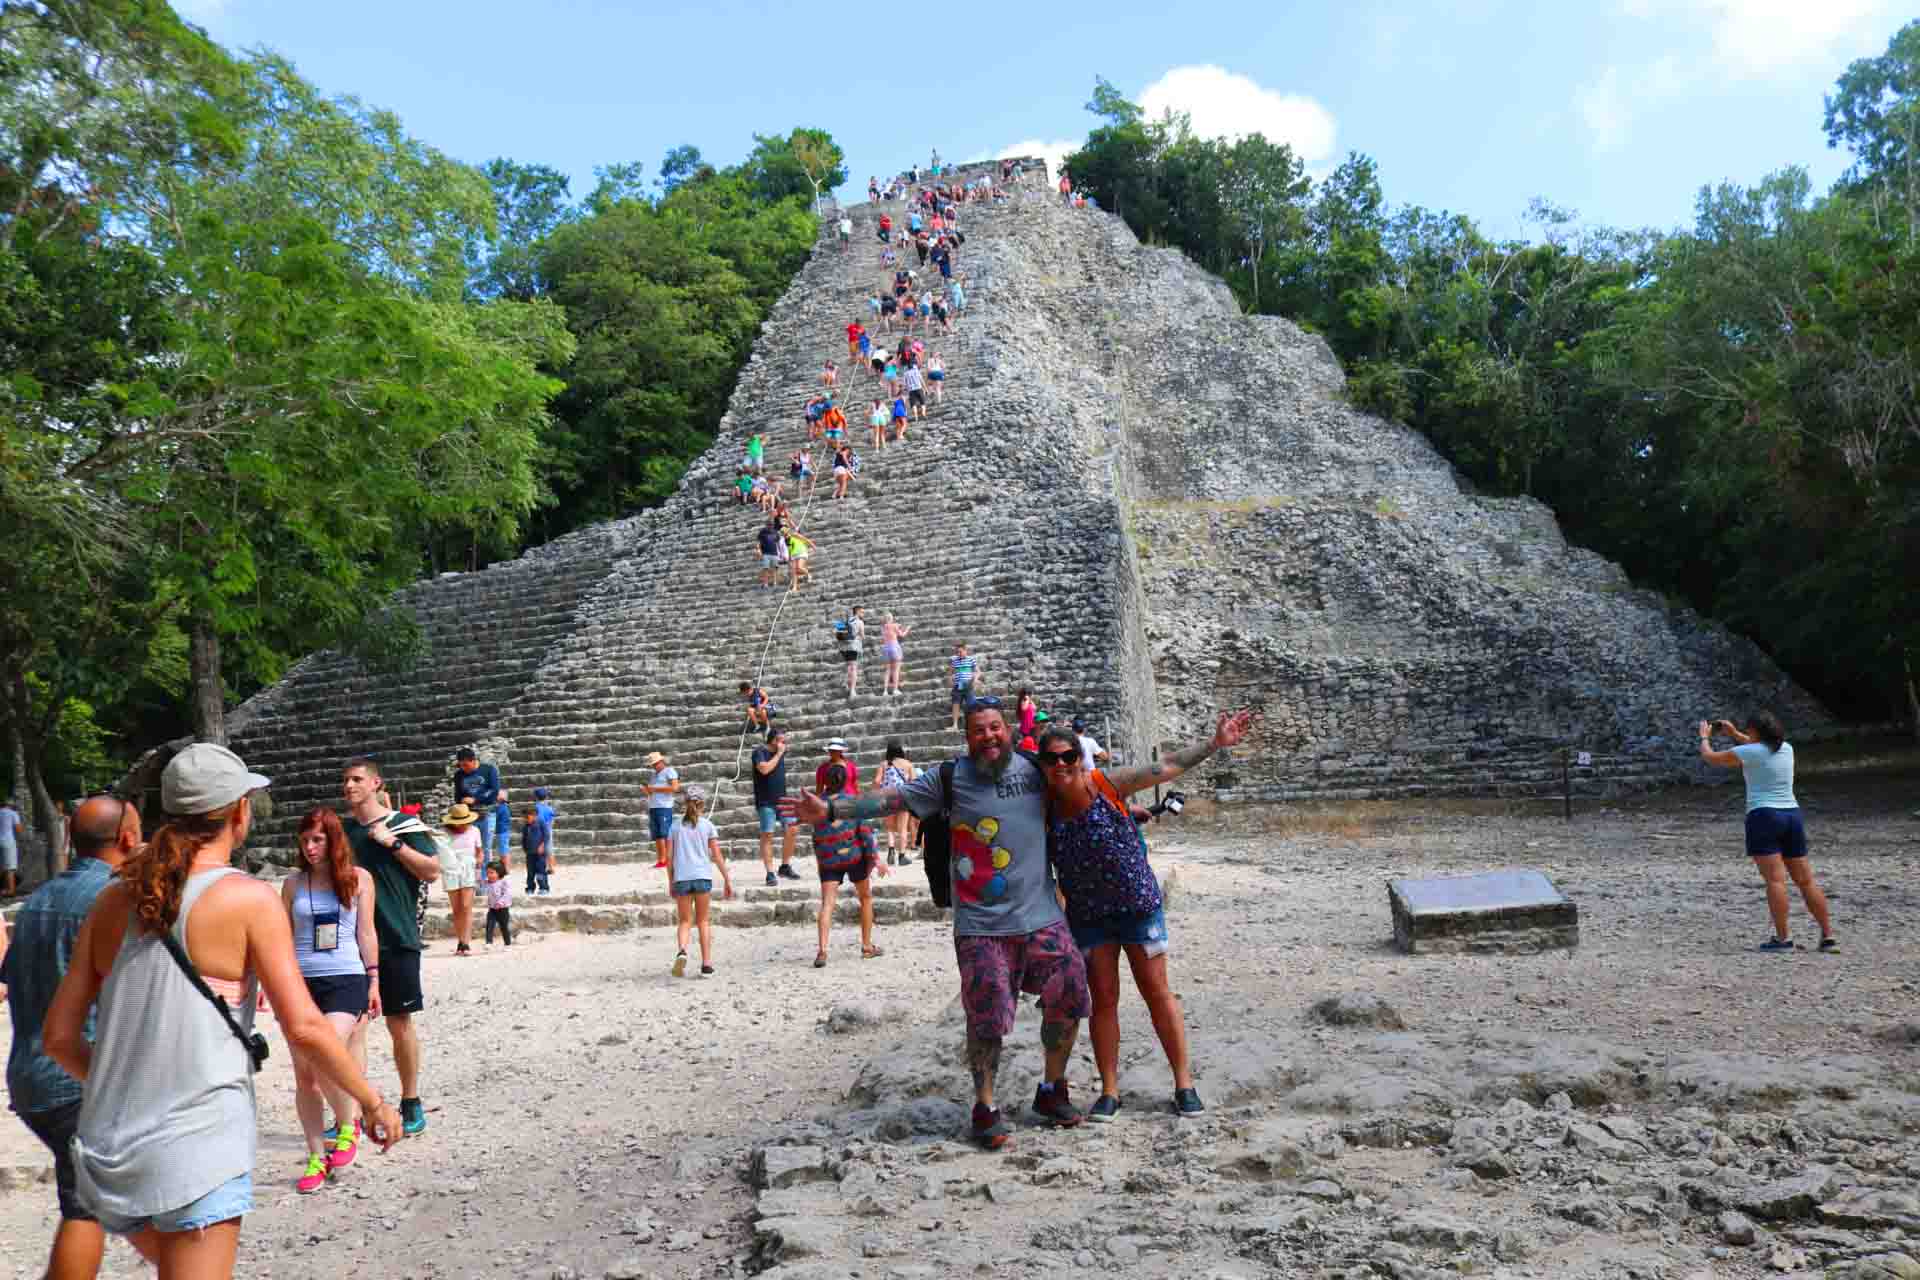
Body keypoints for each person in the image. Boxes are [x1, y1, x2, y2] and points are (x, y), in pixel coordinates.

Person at [45, 745, 403, 1277]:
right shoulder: (248, 899)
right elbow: (302, 1026)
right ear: (239, 812)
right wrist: (372, 1102)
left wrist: (124, 1086)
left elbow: (58, 1036)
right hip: (196, 1142)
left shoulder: (112, 898)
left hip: (109, 1144)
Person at [783, 698, 1090, 1150]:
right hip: (981, 925)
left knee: (1069, 996)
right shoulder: (949, 778)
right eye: (978, 730)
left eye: (995, 727)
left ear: (1008, 730)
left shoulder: (1034, 769)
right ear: (966, 737)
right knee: (985, 1019)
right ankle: (985, 1106)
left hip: (1042, 917)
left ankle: (1052, 1088)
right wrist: (830, 811)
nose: (989, 736)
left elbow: (1095, 785)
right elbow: (890, 799)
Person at [1037, 711, 1252, 1120]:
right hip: (1090, 917)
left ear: (1081, 760)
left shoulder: (1106, 784)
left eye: (1069, 757)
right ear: (1043, 765)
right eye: (1052, 759)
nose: (1061, 765)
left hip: (1139, 908)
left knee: (1157, 993)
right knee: (1104, 1001)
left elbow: (1166, 767)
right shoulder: (1044, 811)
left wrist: (1214, 743)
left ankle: (1184, 1083)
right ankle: (1110, 1090)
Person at [3, 793, 139, 1280]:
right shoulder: (114, 898)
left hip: (29, 1076)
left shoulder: (35, 901)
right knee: (92, 1208)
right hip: (80, 1076)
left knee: (86, 1200)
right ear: (127, 838)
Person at [341, 755, 441, 1137]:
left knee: (400, 1023)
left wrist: (393, 844)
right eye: (346, 781)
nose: (349, 786)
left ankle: (411, 1100)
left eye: (356, 779)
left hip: (396, 937)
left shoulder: (403, 825)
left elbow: (432, 870)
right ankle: (349, 1111)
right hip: (353, 943)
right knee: (353, 1027)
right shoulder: (345, 834)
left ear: (376, 783)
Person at [282, 806, 381, 1191]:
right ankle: (315, 1156)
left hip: (346, 978)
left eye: (318, 839)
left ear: (333, 841)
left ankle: (348, 1123)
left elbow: (367, 933)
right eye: (305, 840)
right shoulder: (293, 884)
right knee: (305, 1076)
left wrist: (374, 980)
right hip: (300, 982)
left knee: (325, 1052)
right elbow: (281, 937)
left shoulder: (359, 880)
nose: (310, 847)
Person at [1699, 713, 1837, 952]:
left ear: (1755, 732)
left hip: (1763, 815)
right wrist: (1734, 734)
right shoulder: (1787, 749)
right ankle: (1827, 936)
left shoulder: (1749, 752)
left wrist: (1704, 738)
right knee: (1806, 880)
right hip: (1792, 815)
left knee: (1775, 880)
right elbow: (1758, 747)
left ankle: (1783, 940)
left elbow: (1711, 758)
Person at [810, 765, 886, 967]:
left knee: (827, 904)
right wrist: (876, 859)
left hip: (828, 859)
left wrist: (820, 861)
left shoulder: (818, 805)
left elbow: (816, 837)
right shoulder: (853, 803)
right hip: (854, 857)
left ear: (825, 781)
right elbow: (865, 833)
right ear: (846, 781)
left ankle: (822, 951)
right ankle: (867, 946)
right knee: (866, 898)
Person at [668, 788, 732, 978]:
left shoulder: (674, 827)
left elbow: (669, 858)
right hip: (702, 877)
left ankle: (682, 951)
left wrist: (670, 881)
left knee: (685, 921)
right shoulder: (708, 826)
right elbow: (717, 856)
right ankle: (706, 964)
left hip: (682, 878)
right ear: (702, 804)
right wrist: (727, 879)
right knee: (703, 921)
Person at [753, 728, 800, 885]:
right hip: (766, 801)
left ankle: (785, 866)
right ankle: (770, 872)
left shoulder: (780, 751)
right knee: (768, 834)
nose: (784, 744)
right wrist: (779, 754)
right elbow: (764, 769)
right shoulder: (759, 752)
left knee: (793, 828)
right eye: (781, 740)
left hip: (782, 800)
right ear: (773, 740)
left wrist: (780, 753)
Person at [439, 802, 480, 956]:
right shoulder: (442, 833)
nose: (463, 825)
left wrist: (479, 862)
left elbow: (479, 850)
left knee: (466, 905)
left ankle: (466, 942)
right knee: (456, 908)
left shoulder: (475, 830)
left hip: (468, 867)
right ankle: (460, 942)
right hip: (450, 869)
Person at [873, 741, 917, 866]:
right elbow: (914, 782)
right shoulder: (907, 764)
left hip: (888, 797)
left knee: (890, 828)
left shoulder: (884, 764)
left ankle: (891, 853)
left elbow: (877, 781)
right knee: (902, 828)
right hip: (903, 797)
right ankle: (902, 856)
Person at [451, 748, 501, 854]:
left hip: (487, 814)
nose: (463, 768)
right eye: (461, 765)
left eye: (466, 765)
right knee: (470, 847)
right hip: (468, 817)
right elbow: (457, 796)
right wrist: (461, 802)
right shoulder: (459, 775)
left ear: (473, 761)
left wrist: (475, 799)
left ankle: (484, 870)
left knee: (485, 848)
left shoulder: (488, 770)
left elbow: (494, 791)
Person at [521, 804, 551, 896]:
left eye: (527, 817)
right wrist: (524, 848)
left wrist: (542, 845)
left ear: (534, 815)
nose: (526, 819)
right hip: (530, 853)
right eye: (524, 817)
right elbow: (524, 838)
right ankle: (530, 888)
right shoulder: (526, 826)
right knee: (530, 872)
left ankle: (543, 888)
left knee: (541, 871)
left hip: (540, 854)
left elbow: (546, 835)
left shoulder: (541, 822)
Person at [879, 613, 911, 696]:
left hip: (886, 648)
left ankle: (885, 691)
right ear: (891, 618)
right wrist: (907, 629)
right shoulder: (894, 626)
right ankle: (895, 690)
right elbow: (902, 635)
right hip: (894, 647)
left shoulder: (883, 628)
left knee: (887, 671)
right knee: (896, 670)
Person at [949, 643, 979, 731]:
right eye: (957, 652)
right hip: (958, 685)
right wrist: (951, 680)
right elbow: (950, 673)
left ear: (965, 651)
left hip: (968, 684)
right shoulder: (954, 661)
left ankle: (973, 724)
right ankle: (955, 725)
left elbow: (978, 671)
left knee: (971, 704)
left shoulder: (971, 660)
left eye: (960, 652)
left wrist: (975, 679)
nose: (959, 654)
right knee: (955, 704)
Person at [483, 861, 512, 947]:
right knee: (489, 925)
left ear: (499, 873)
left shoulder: (504, 882)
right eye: (487, 873)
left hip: (503, 909)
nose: (489, 875)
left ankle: (507, 944)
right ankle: (489, 942)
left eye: (492, 873)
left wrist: (500, 902)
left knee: (504, 927)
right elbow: (479, 881)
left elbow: (507, 893)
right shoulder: (488, 882)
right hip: (492, 909)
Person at [0, 796, 21, 898]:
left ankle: (4, 888)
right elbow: (18, 829)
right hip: (8, 841)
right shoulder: (13, 813)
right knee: (10, 867)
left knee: (2, 866)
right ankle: (11, 890)